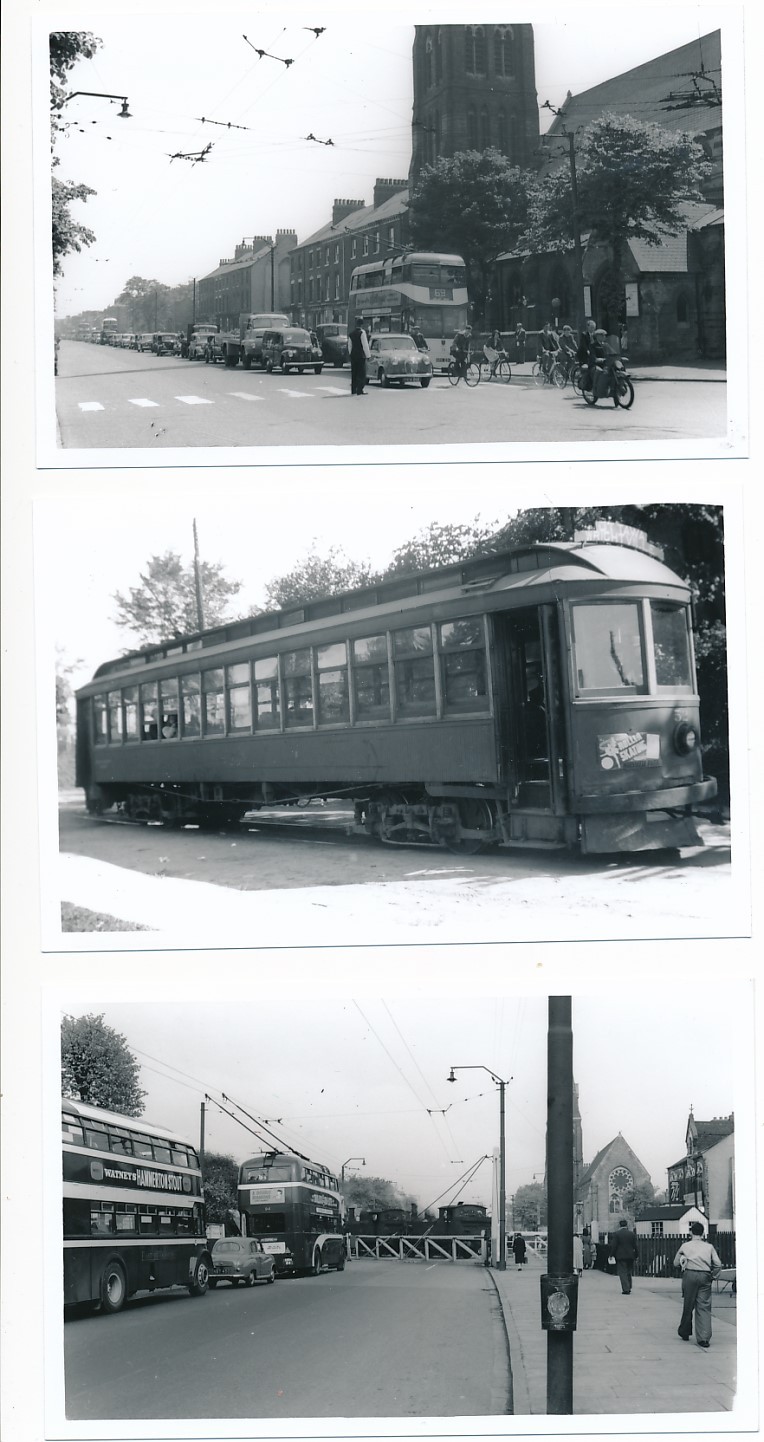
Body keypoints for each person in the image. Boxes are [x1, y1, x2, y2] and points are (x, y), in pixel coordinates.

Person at [674, 1221, 723, 1348]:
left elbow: (675, 1263)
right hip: (705, 1275)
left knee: (688, 1304)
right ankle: (704, 1338)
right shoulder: (709, 1247)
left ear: (691, 1232)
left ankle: (685, 1331)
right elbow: (718, 1264)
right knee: (704, 1306)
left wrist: (682, 1264)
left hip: (689, 1275)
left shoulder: (685, 1246)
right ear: (703, 1233)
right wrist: (713, 1276)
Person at [609, 1217, 639, 1294]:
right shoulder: (631, 1234)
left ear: (620, 1225)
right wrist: (636, 1255)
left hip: (621, 1256)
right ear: (626, 1225)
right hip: (630, 1255)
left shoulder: (617, 1234)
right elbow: (635, 1246)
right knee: (629, 1271)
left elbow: (614, 1246)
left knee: (622, 1272)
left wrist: (611, 1254)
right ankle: (629, 1286)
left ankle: (626, 1289)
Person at [348, 315, 371, 395]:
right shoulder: (362, 333)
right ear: (362, 325)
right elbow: (365, 345)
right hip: (361, 355)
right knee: (361, 373)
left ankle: (353, 389)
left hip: (353, 355)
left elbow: (349, 346)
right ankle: (360, 389)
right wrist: (368, 356)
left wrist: (350, 354)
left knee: (354, 372)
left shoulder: (351, 334)